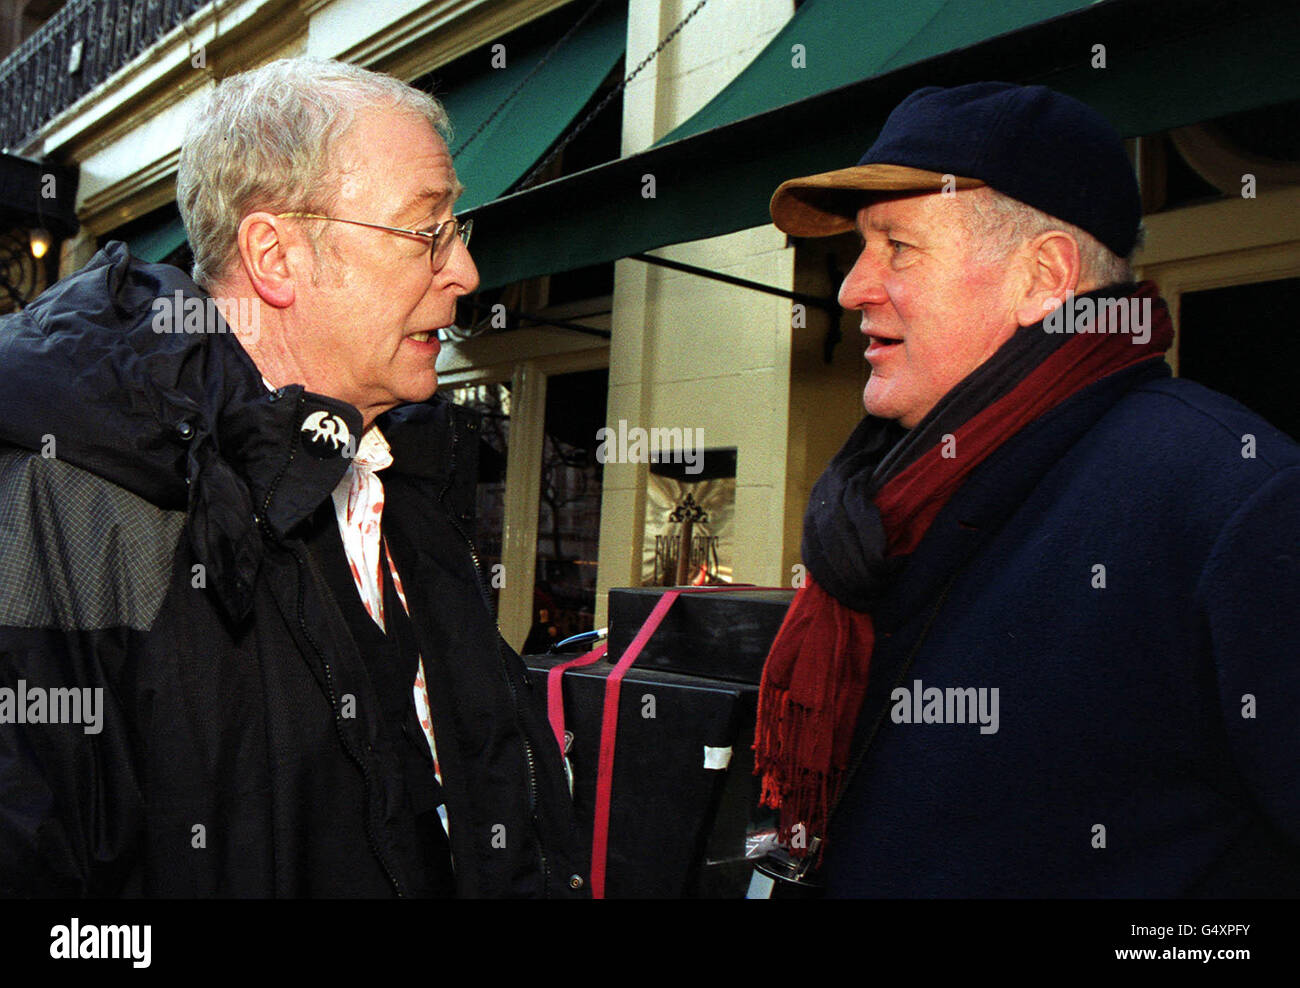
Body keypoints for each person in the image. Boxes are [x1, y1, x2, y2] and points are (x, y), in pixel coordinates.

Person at [0, 57, 586, 897]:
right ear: (275, 256)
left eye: (459, 230)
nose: (464, 272)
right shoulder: (70, 504)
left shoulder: (397, 479)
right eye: (427, 231)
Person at [755, 82, 1300, 896]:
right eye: (861, 248)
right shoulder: (888, 497)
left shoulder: (1239, 501)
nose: (851, 288)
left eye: (898, 246)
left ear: (1045, 276)